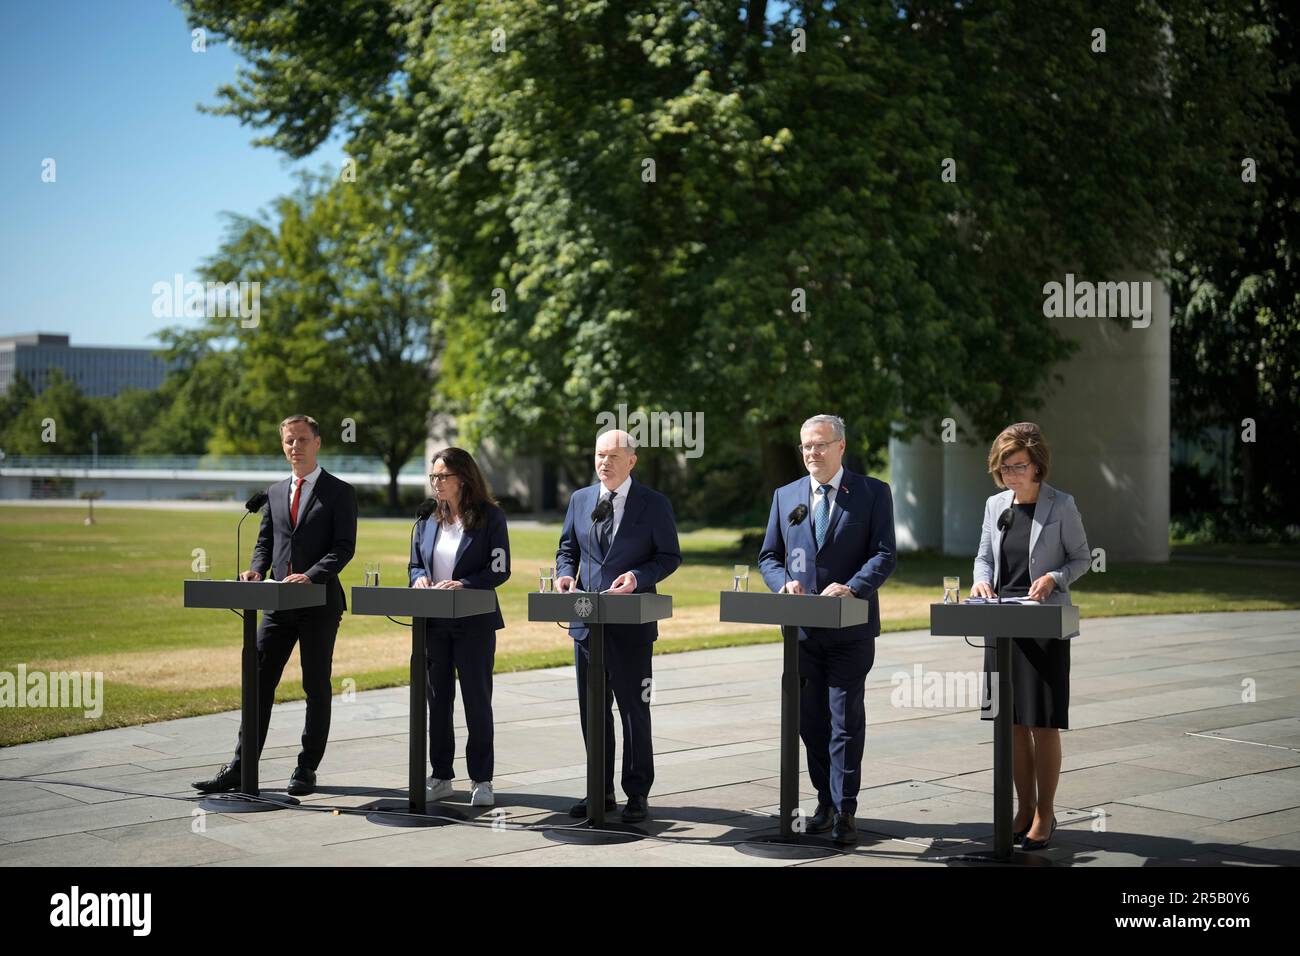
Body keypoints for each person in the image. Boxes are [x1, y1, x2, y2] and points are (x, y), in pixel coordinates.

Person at [193, 414, 358, 797]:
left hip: (319, 603)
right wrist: (255, 570)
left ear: (317, 442)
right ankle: (240, 767)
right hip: (275, 604)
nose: (295, 447)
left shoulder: (340, 492)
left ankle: (306, 768)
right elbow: (265, 543)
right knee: (258, 682)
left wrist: (311, 574)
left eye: (302, 440)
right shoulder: (274, 492)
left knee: (315, 686)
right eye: (288, 441)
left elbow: (343, 548)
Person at [757, 414, 896, 846]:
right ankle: (825, 801)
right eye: (805, 447)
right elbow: (768, 556)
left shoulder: (873, 492)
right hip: (801, 633)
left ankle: (845, 810)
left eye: (819, 445)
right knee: (809, 722)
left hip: (850, 630)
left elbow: (885, 553)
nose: (811, 453)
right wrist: (784, 583)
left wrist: (853, 587)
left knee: (844, 721)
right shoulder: (786, 496)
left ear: (840, 446)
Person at [971, 421, 1090, 851]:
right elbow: (983, 558)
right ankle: (1023, 807)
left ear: (1037, 465)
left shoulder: (1062, 505)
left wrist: (1055, 578)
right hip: (1002, 626)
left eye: (1018, 467)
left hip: (1044, 627)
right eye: (1003, 469)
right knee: (1012, 722)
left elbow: (1081, 559)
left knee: (1042, 722)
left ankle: (1045, 813)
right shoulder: (995, 505)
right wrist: (981, 584)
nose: (1010, 476)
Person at [554, 429, 681, 824]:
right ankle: (600, 789)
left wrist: (637, 577)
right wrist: (563, 574)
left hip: (631, 627)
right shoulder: (580, 500)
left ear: (631, 460)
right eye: (598, 455)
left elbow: (668, 557)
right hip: (587, 625)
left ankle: (637, 792)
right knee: (592, 712)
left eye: (611, 455)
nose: (603, 462)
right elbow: (567, 549)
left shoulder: (653, 504)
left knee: (633, 711)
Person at [408, 447, 511, 807]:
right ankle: (441, 777)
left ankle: (482, 780)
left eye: (442, 477)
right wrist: (420, 578)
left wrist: (464, 583)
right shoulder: (425, 519)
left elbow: (499, 569)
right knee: (438, 702)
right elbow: (414, 565)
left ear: (463, 479)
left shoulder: (490, 518)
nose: (436, 483)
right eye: (433, 477)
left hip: (474, 623)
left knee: (476, 701)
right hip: (432, 624)